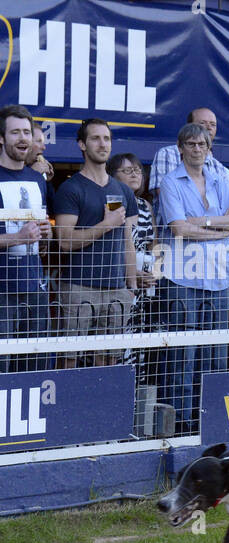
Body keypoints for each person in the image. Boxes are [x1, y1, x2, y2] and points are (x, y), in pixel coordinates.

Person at [156, 121, 229, 433]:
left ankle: (208, 419)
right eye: (192, 144)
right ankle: (180, 423)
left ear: (210, 149)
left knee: (216, 356)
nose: (197, 149)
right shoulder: (170, 182)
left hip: (220, 280)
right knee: (182, 357)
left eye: (203, 145)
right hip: (183, 280)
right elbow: (179, 229)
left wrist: (205, 222)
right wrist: (221, 228)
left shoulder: (219, 180)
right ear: (181, 148)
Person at [50, 118, 139, 368]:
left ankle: (104, 407)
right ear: (81, 144)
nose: (103, 144)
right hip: (79, 287)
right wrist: (105, 225)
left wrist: (130, 286)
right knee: (70, 357)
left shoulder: (124, 191)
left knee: (109, 359)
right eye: (95, 138)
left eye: (107, 139)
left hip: (116, 289)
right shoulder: (71, 188)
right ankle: (67, 407)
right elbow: (65, 241)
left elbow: (127, 240)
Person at [0, 105, 53, 374]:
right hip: (2, 293)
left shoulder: (37, 179)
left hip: (35, 289)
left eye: (26, 133)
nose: (22, 139)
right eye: (15, 133)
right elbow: (21, 234)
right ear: (1, 137)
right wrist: (18, 236)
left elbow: (42, 234)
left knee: (34, 368)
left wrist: (46, 235)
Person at [110, 152, 163, 381]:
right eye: (127, 170)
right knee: (118, 348)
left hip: (145, 291)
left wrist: (155, 272)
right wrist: (130, 274)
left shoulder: (144, 205)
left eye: (138, 170)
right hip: (121, 284)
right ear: (113, 176)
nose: (135, 174)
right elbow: (111, 246)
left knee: (142, 349)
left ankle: (137, 401)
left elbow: (154, 245)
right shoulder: (112, 202)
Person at [149, 108, 229, 205]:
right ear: (189, 126)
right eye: (203, 123)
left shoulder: (221, 169)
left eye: (213, 124)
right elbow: (167, 198)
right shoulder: (167, 154)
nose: (209, 127)